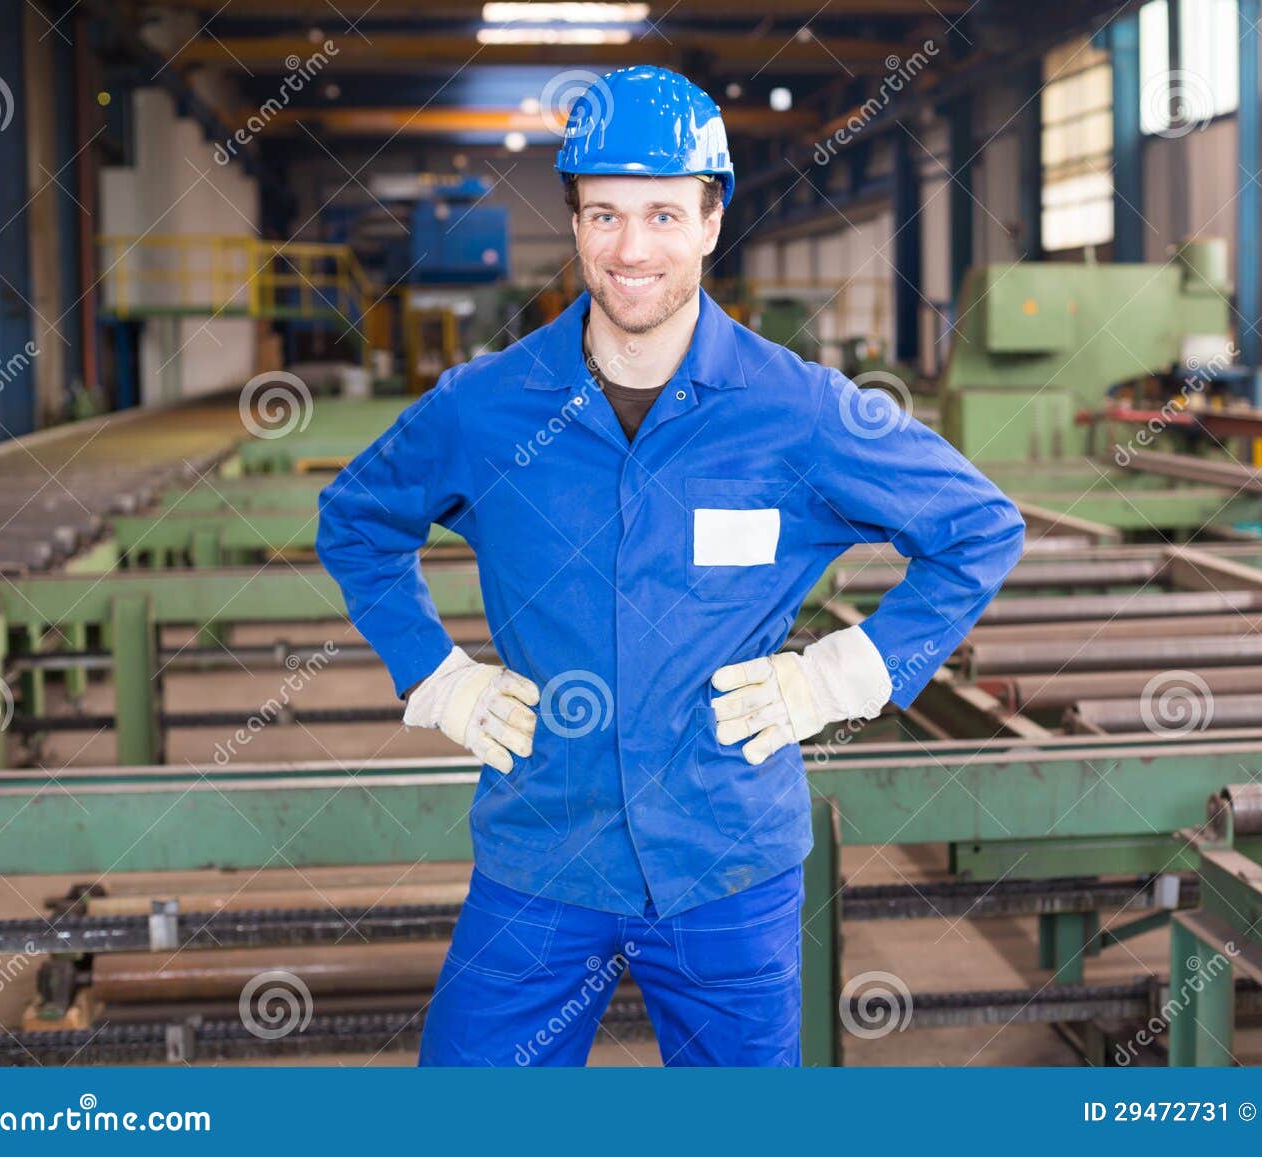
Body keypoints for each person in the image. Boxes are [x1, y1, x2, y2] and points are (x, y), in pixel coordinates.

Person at [315, 63, 1026, 1067]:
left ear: (710, 220)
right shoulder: (486, 407)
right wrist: (435, 675)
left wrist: (845, 673)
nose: (631, 247)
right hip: (543, 848)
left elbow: (978, 527)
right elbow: (354, 520)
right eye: (603, 214)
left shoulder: (801, 410)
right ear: (572, 224)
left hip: (726, 860)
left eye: (661, 213)